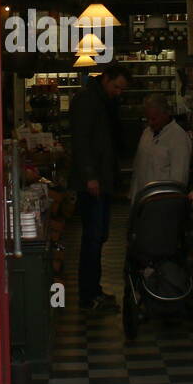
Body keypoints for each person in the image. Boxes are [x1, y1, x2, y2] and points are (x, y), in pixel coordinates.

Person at [69, 61, 131, 311]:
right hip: (93, 181)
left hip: (101, 179)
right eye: (117, 87)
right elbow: (82, 141)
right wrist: (90, 176)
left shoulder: (101, 100)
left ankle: (93, 291)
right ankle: (89, 295)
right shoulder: (88, 101)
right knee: (94, 238)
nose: (119, 92)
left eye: (122, 90)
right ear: (105, 79)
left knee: (99, 236)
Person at [129, 93, 192, 203]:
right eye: (147, 119)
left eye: (154, 119)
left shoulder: (178, 137)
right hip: (143, 199)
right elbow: (138, 168)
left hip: (164, 203)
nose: (150, 123)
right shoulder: (146, 133)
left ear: (166, 114)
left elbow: (179, 177)